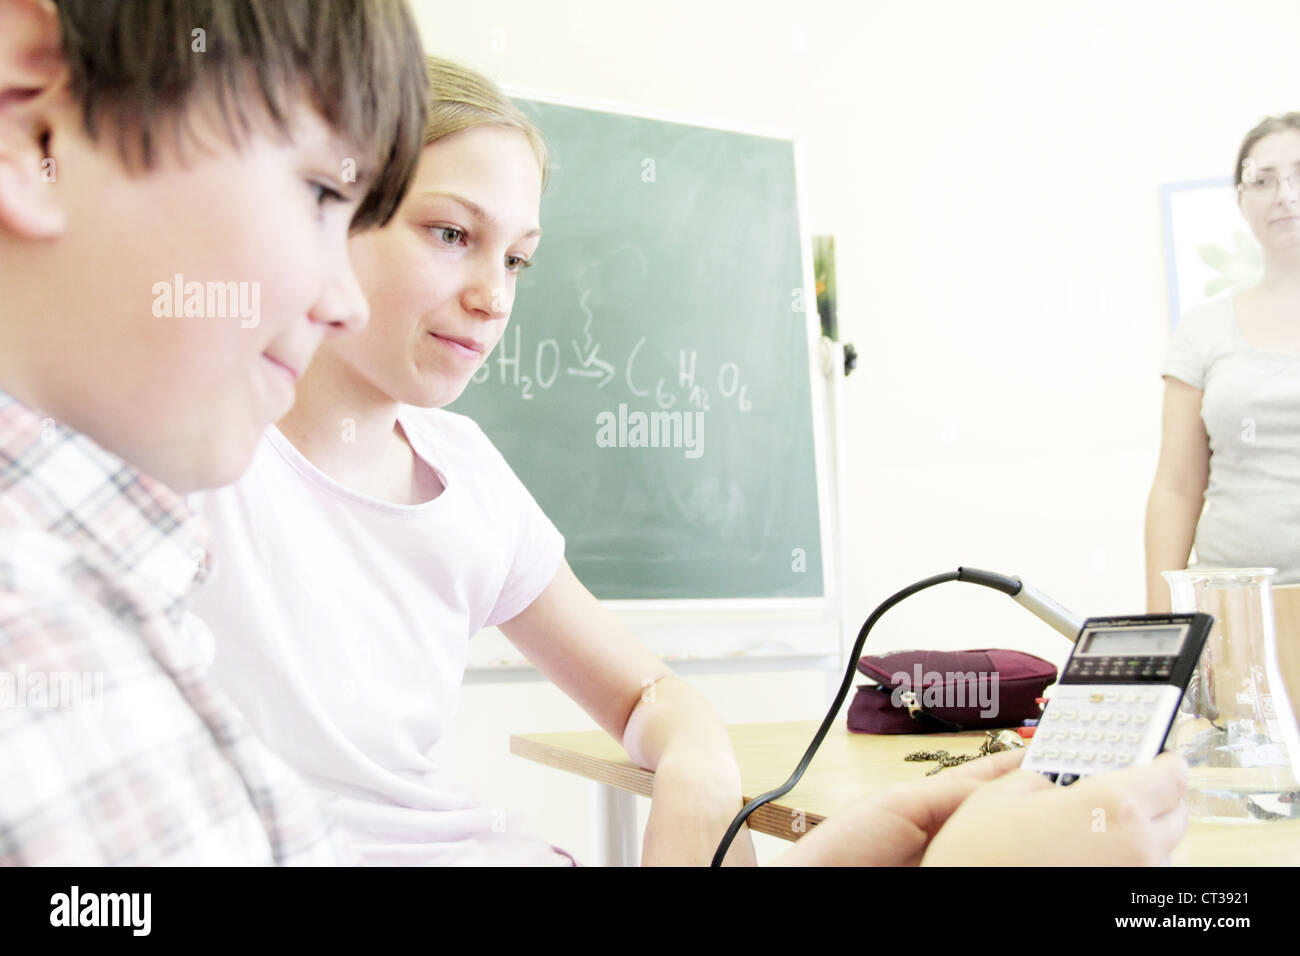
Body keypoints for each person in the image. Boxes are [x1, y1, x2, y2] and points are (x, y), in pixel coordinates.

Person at [193, 56, 1191, 867]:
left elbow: (645, 695)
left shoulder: (467, 473)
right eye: (452, 233)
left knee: (931, 830)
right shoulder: (189, 448)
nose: (496, 293)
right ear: (331, 209)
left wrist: (701, 768)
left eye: (517, 258)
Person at [0, 0, 427, 864]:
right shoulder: (38, 660)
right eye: (319, 193)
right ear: (34, 127)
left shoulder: (121, 597)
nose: (345, 303)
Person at [1146, 112, 1300, 612]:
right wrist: (1159, 624)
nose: (1284, 193)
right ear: (1241, 199)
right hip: (1234, 613)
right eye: (1263, 179)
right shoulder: (1203, 329)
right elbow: (1176, 487)